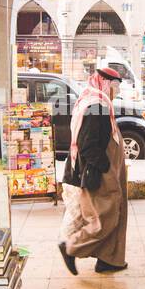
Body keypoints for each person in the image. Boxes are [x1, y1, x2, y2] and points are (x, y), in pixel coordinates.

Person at [58, 66, 128, 274]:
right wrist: (106, 167)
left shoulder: (95, 102)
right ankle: (72, 247)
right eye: (115, 87)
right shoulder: (97, 106)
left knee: (113, 213)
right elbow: (88, 144)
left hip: (107, 169)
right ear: (106, 84)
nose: (117, 93)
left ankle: (109, 259)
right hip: (100, 172)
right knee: (104, 218)